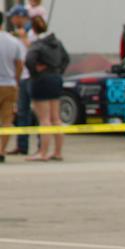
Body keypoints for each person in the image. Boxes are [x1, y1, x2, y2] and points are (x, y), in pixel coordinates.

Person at [24, 15, 67, 162]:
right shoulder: (57, 43)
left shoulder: (37, 44)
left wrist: (35, 72)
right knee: (56, 118)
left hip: (41, 81)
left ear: (33, 29)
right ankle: (58, 151)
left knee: (44, 119)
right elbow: (66, 59)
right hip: (56, 79)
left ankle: (42, 152)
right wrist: (58, 70)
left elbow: (29, 60)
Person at [6, 4, 34, 156]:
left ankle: (29, 145)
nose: (12, 19)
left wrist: (23, 38)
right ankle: (22, 145)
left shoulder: (30, 31)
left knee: (28, 112)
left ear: (20, 17)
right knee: (23, 112)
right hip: (23, 77)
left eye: (14, 16)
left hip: (28, 77)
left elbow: (30, 52)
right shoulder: (18, 33)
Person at [0, 10, 25, 164]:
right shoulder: (13, 41)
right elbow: (20, 64)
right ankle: (1, 150)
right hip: (9, 84)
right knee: (7, 120)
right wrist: (16, 79)